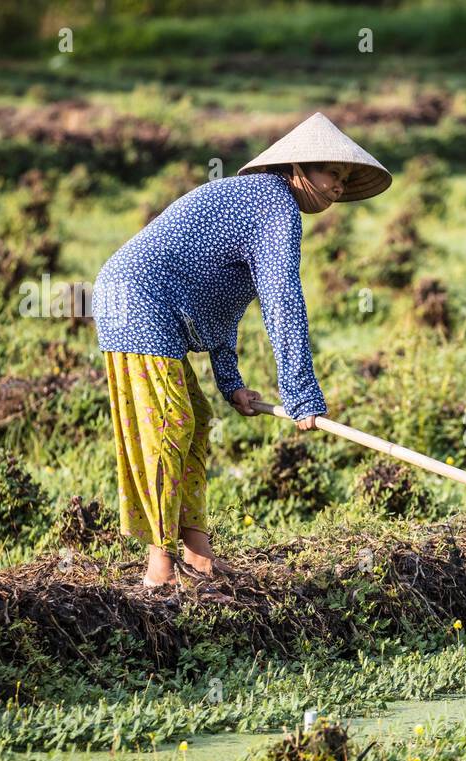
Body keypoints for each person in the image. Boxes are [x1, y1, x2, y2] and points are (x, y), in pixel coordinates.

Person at [91, 112, 391, 587]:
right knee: (170, 424)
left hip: (143, 300)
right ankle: (160, 564)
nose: (338, 187)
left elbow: (227, 302)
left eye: (345, 179)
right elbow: (283, 300)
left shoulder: (265, 205)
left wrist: (231, 384)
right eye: (333, 174)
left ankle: (197, 553)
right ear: (299, 168)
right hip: (136, 296)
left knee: (197, 417)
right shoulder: (275, 205)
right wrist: (301, 396)